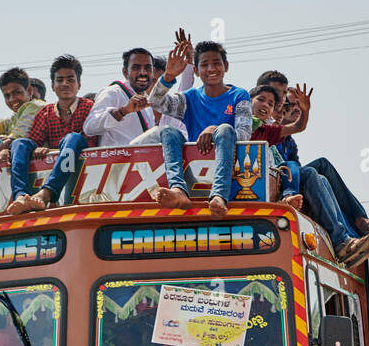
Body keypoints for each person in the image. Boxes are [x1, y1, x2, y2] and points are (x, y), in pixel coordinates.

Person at [257, 70, 369, 266]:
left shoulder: (286, 139)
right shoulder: (257, 124)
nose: (280, 105)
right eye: (279, 100)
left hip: (291, 182)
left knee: (320, 175)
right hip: (275, 186)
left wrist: (304, 111)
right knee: (316, 170)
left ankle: (355, 234)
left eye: (282, 101)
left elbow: (296, 137)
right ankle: (355, 231)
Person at [147, 31, 251, 218]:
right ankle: (179, 189)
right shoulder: (190, 98)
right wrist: (168, 77)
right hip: (196, 167)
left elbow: (244, 133)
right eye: (204, 64)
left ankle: (219, 196)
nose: (211, 69)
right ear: (195, 70)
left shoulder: (239, 95)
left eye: (216, 63)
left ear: (226, 66)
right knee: (169, 131)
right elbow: (154, 102)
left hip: (229, 166)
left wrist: (214, 129)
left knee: (226, 129)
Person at [1, 54, 96, 214]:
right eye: (59, 80)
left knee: (73, 138)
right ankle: (21, 196)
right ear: (52, 86)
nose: (64, 84)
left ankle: (46, 194)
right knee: (19, 143)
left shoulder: (89, 107)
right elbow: (33, 142)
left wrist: (49, 151)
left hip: (81, 168)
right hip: (58, 163)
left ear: (78, 84)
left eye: (70, 80)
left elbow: (91, 143)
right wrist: (32, 148)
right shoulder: (45, 112)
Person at [84, 47, 192, 148]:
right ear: (125, 72)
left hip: (138, 164)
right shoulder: (113, 92)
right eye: (136, 68)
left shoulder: (147, 103)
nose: (143, 72)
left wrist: (170, 75)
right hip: (115, 163)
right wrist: (123, 111)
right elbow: (89, 127)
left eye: (147, 68)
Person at [248, 85, 302, 208]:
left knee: (292, 165)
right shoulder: (238, 121)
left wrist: (305, 111)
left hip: (271, 176)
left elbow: (298, 127)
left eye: (270, 104)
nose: (280, 116)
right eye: (261, 100)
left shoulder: (268, 131)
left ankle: (287, 197)